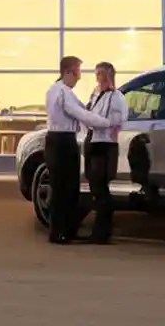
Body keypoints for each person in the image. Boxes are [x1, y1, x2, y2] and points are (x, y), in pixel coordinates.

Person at [44, 55, 110, 244]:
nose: (79, 77)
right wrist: (107, 123)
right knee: (62, 189)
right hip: (61, 142)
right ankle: (59, 233)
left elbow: (84, 109)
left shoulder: (59, 90)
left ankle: (65, 230)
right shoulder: (62, 92)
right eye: (78, 72)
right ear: (68, 72)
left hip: (61, 141)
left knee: (68, 187)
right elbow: (81, 114)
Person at [83, 61, 128, 244]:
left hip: (105, 144)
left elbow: (113, 120)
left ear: (108, 75)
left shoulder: (116, 97)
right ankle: (99, 230)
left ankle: (102, 232)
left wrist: (92, 120)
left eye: (100, 74)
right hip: (93, 141)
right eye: (96, 74)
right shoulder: (96, 95)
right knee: (95, 187)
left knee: (101, 189)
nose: (97, 77)